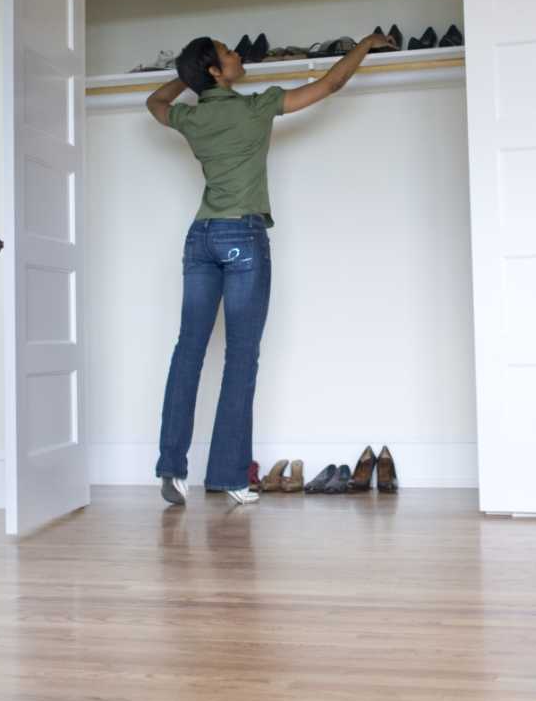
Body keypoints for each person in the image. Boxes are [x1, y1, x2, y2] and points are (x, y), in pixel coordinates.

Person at [144, 32, 391, 505]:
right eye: (227, 53)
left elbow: (154, 102)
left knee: (188, 352)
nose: (237, 54)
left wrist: (188, 81)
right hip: (241, 236)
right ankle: (230, 475)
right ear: (215, 71)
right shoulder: (255, 107)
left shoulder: (189, 117)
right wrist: (364, 44)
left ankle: (171, 469)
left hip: (200, 238)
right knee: (240, 357)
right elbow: (331, 84)